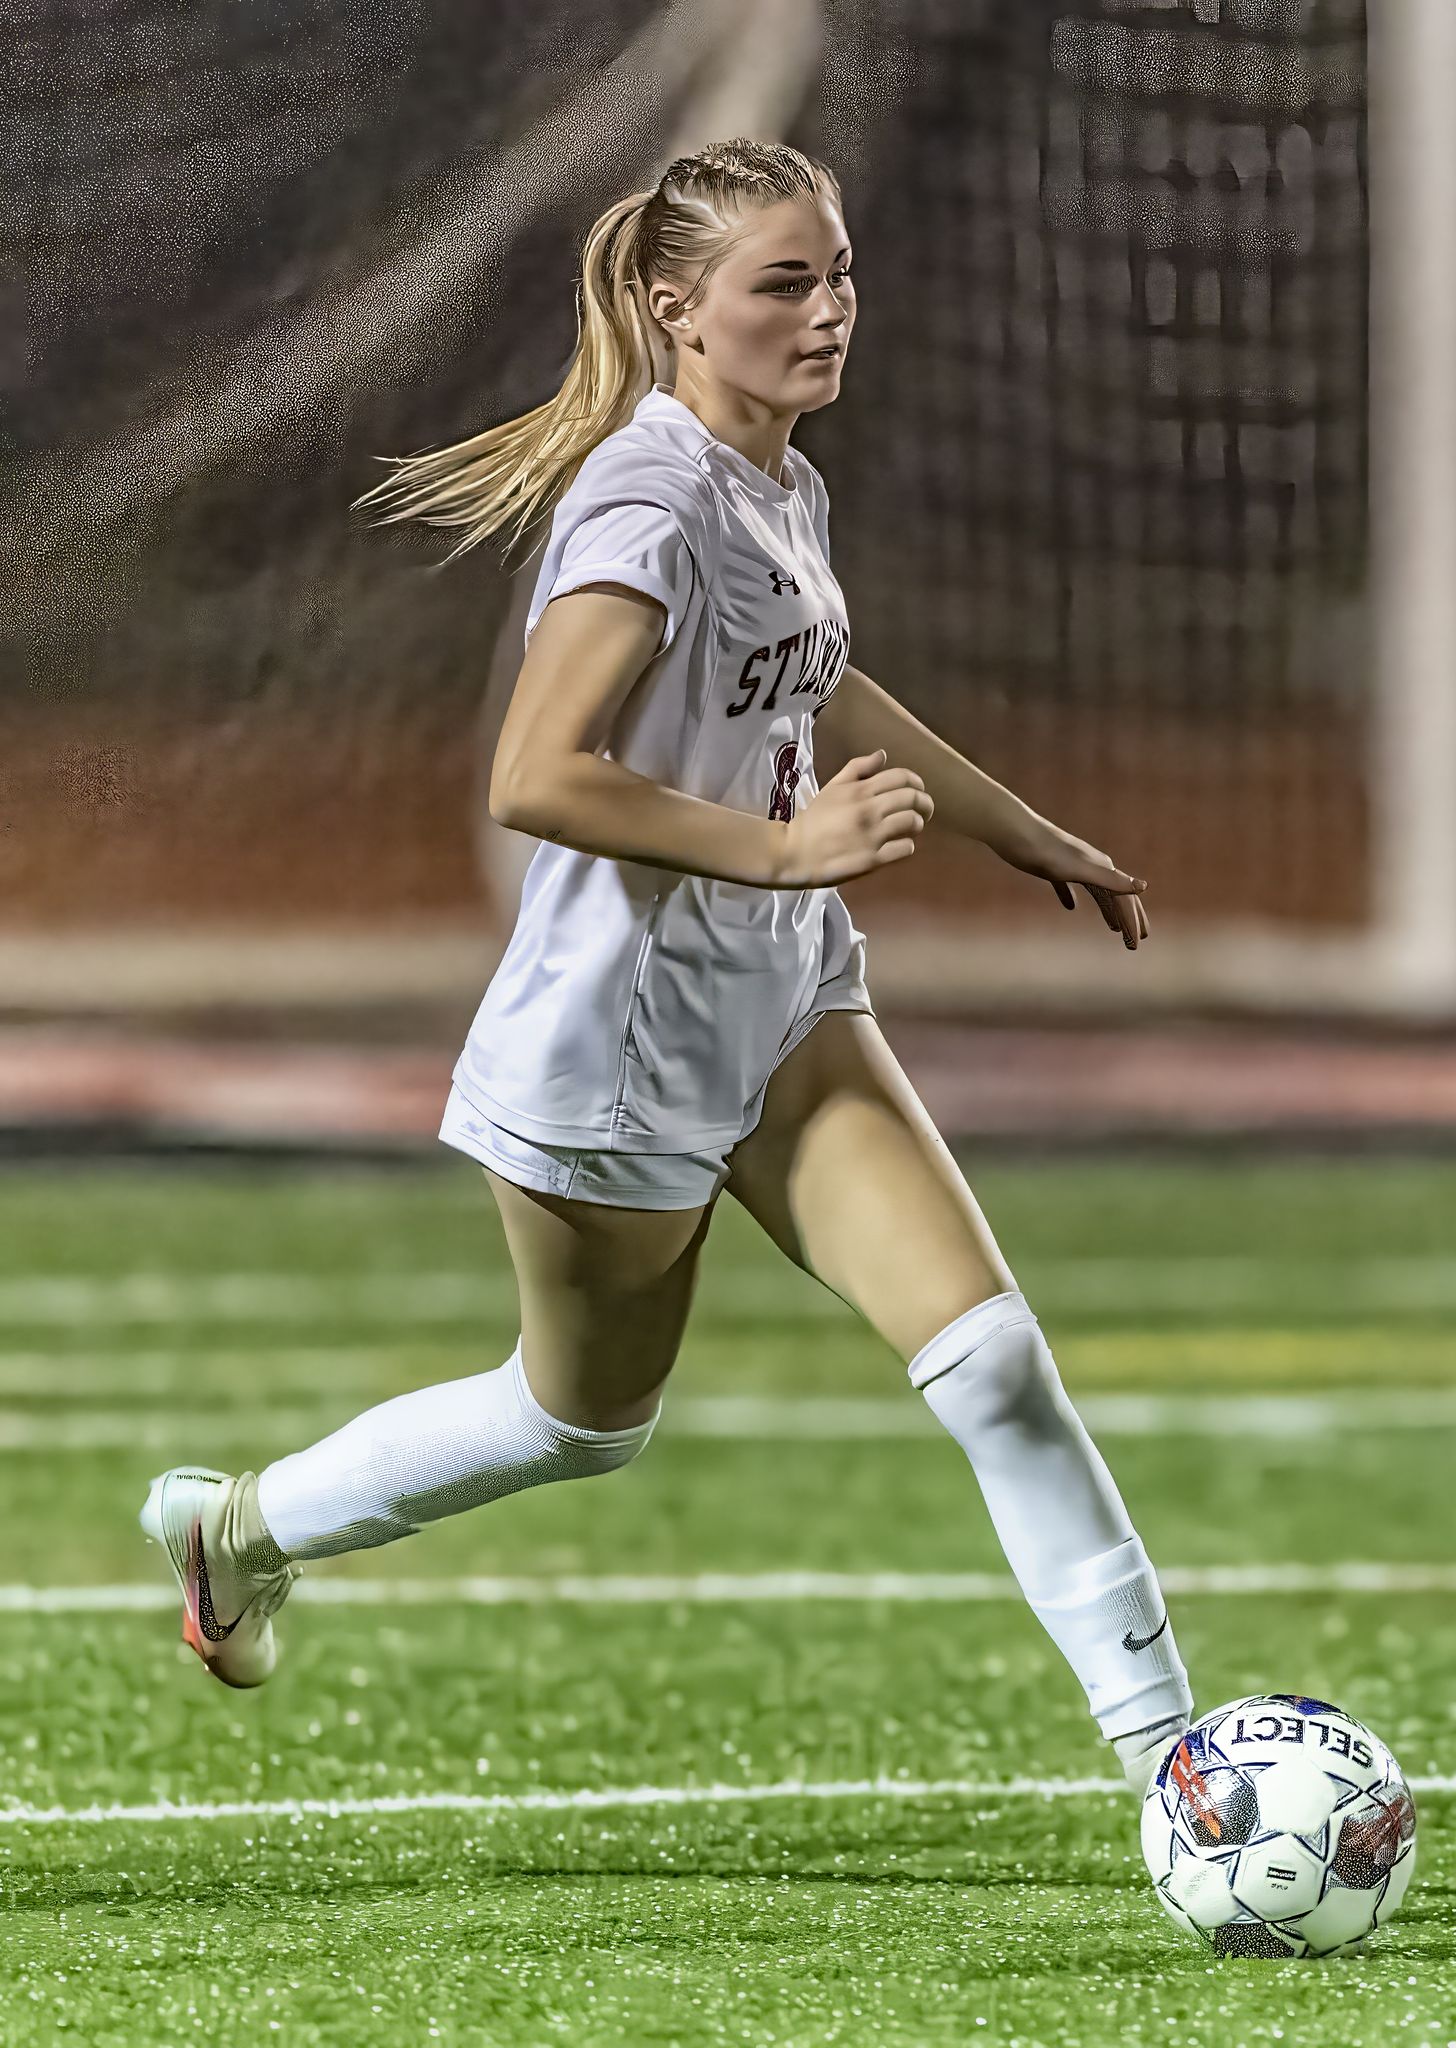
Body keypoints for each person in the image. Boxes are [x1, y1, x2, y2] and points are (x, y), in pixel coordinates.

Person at [140, 138, 1190, 1797]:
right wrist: (783, 848)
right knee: (579, 1423)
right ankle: (238, 1531)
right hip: (619, 1041)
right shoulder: (648, 495)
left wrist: (1024, 827)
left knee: (991, 1362)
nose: (830, 310)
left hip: (785, 996)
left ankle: (1176, 1768)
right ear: (674, 307)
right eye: (785, 283)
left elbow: (819, 683)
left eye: (836, 273)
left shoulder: (780, 477)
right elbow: (534, 773)